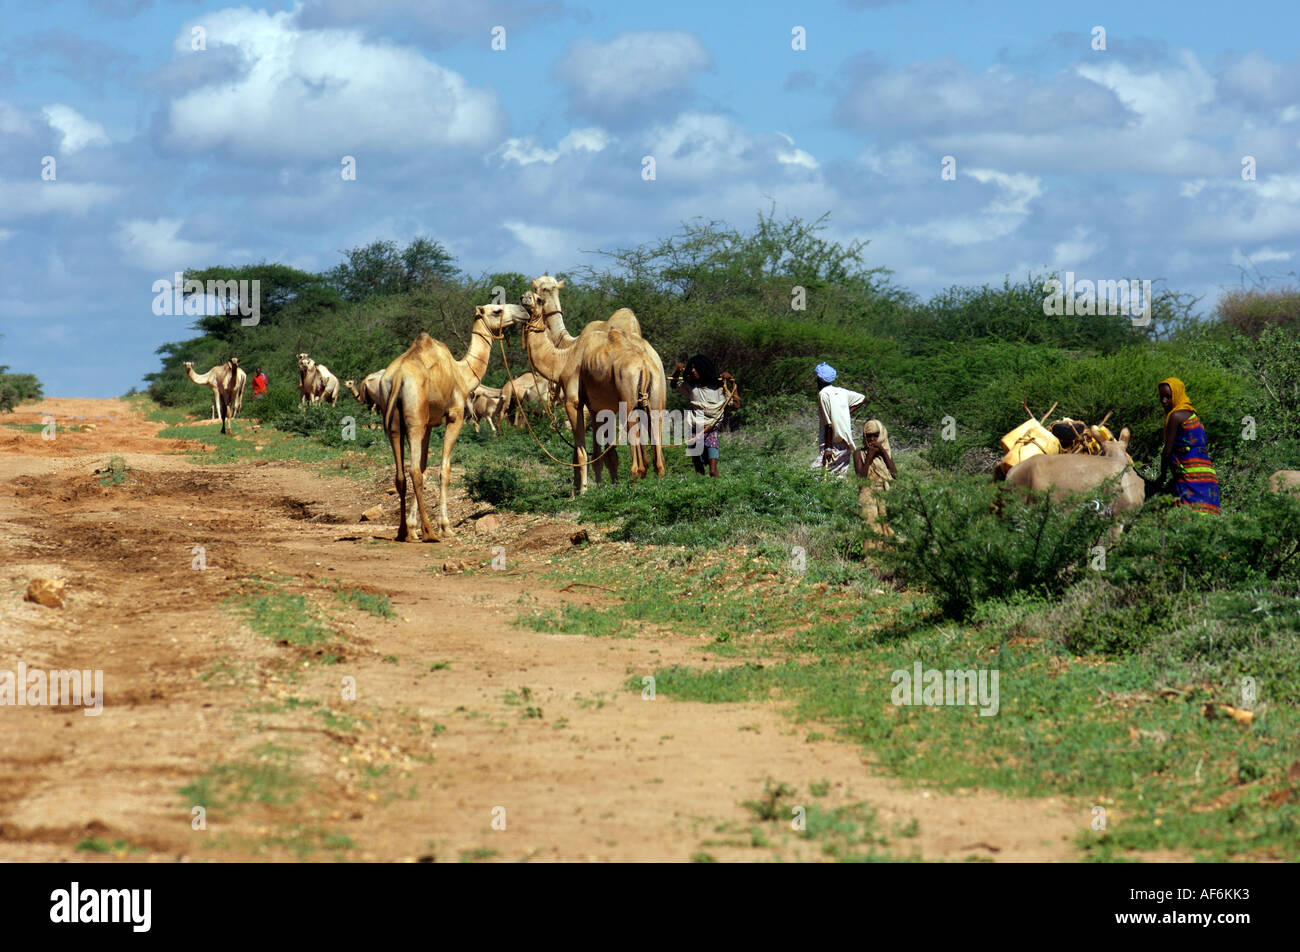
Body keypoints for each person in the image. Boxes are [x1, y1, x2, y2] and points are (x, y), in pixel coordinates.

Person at [1156, 377, 1220, 514]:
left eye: (1168, 396)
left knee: (1186, 513)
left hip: (1189, 474)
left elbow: (1167, 451)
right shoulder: (1193, 415)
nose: (1164, 401)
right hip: (1207, 475)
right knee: (1206, 515)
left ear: (1177, 394)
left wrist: (1161, 477)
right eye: (1161, 397)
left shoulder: (1175, 416)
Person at [671, 354, 739, 477]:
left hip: (711, 432)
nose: (692, 371)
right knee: (699, 470)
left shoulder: (718, 389)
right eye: (691, 368)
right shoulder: (691, 388)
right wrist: (677, 372)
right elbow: (673, 385)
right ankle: (701, 493)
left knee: (713, 471)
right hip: (694, 431)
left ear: (703, 369)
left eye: (696, 368)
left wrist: (732, 380)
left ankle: (718, 492)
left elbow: (736, 404)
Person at [810, 362, 865, 477]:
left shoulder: (823, 394)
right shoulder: (841, 391)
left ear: (820, 379)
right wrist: (844, 413)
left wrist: (828, 448)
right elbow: (862, 398)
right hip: (845, 442)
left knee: (813, 474)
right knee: (838, 476)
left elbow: (828, 424)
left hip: (833, 442)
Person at [854, 419, 897, 541]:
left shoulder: (886, 453)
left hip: (883, 492)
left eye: (875, 435)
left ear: (881, 435)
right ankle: (870, 558)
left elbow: (894, 474)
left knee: (885, 526)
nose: (872, 439)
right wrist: (869, 456)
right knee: (871, 526)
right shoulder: (859, 453)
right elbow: (861, 478)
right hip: (867, 494)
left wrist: (882, 452)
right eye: (869, 436)